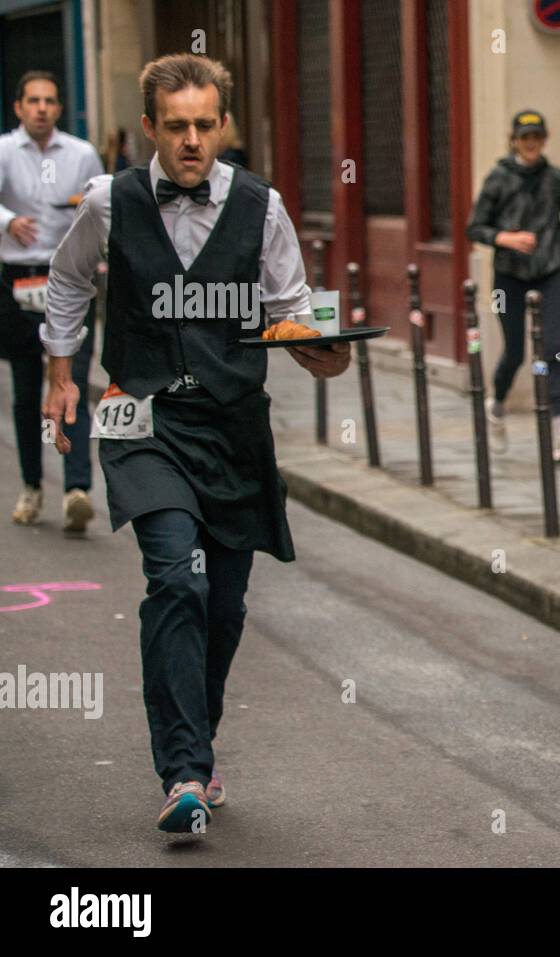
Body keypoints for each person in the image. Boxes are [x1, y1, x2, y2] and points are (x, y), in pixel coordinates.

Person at [41, 53, 351, 833]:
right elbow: (69, 276)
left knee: (224, 604)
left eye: (204, 125)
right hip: (143, 421)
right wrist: (61, 371)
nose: (190, 140)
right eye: (175, 126)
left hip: (234, 429)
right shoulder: (111, 201)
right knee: (176, 578)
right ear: (149, 127)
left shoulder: (261, 205)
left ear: (222, 126)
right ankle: (181, 768)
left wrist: (324, 350)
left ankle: (196, 743)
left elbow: (288, 313)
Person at [0, 70, 103, 530]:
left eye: (50, 100)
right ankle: (32, 486)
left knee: (73, 382)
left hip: (71, 280)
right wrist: (7, 222)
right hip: (18, 279)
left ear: (59, 109)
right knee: (27, 388)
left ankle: (77, 488)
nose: (42, 108)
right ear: (19, 108)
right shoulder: (4, 150)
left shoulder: (81, 154)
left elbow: (102, 203)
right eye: (33, 101)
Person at [466, 109, 560, 460]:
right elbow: (475, 227)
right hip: (508, 278)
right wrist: (506, 238)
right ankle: (496, 405)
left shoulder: (555, 178)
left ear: (544, 140)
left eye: (536, 137)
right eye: (524, 138)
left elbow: (550, 221)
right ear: (514, 140)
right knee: (515, 351)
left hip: (548, 271)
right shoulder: (498, 178)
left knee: (552, 348)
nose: (531, 144)